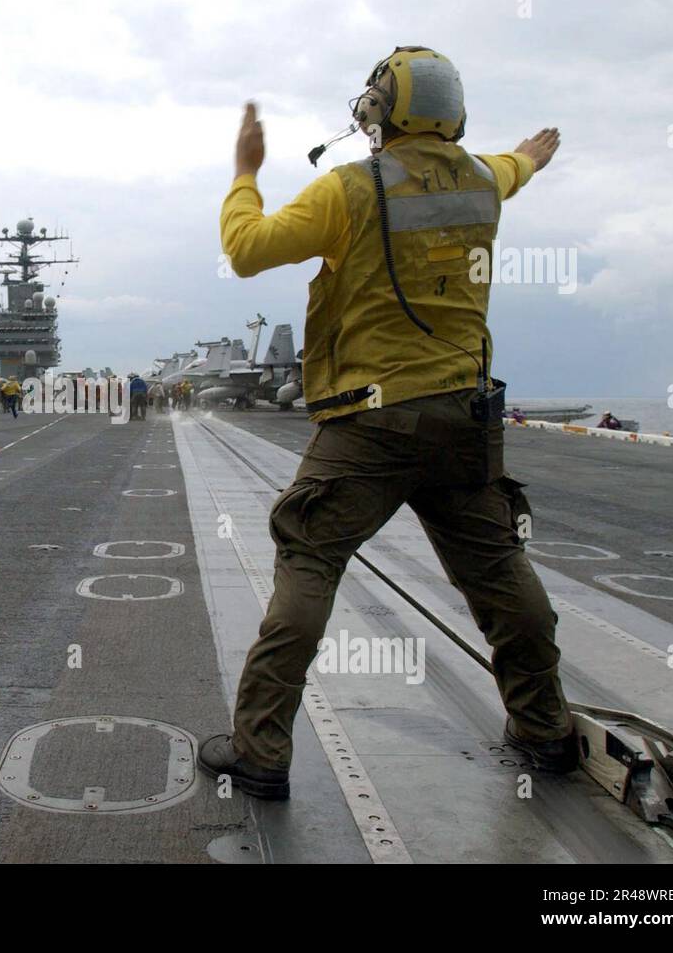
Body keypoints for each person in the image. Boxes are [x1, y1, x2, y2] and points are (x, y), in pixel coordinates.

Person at [198, 47, 572, 801]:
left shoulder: (349, 188)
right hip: (464, 422)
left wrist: (244, 171)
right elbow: (510, 168)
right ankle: (545, 728)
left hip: (368, 426)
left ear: (376, 110)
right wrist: (531, 156)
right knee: (499, 572)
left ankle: (261, 748)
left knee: (308, 561)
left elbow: (244, 251)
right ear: (453, 116)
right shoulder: (482, 184)